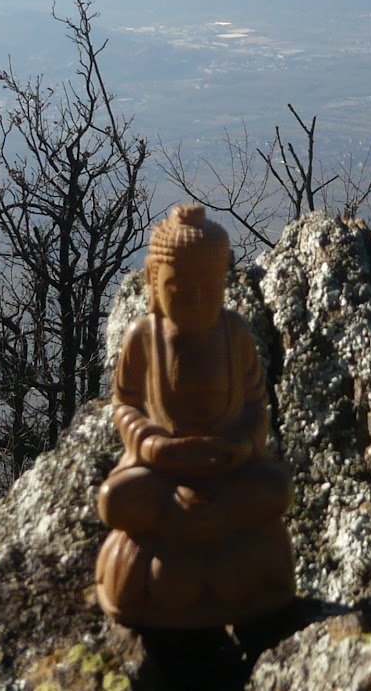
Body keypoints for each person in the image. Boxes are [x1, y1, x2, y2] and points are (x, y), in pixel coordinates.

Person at [95, 203, 295, 627]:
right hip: (162, 473)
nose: (196, 300)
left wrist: (242, 445)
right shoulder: (144, 337)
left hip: (226, 469)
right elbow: (125, 404)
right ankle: (201, 557)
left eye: (209, 288)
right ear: (154, 282)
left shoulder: (234, 334)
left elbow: (255, 406)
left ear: (223, 283)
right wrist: (151, 445)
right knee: (116, 501)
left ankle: (188, 554)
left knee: (276, 489)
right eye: (179, 289)